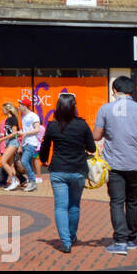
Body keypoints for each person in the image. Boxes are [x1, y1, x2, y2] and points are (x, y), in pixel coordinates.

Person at [92, 75, 137, 255]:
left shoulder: (105, 109)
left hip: (113, 164)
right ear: (132, 91)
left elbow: (96, 136)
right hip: (135, 162)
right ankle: (133, 238)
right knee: (134, 201)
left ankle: (120, 241)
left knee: (117, 202)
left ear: (114, 91)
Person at [40, 92, 96, 253]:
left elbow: (45, 147)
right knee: (74, 206)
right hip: (78, 170)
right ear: (74, 107)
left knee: (60, 206)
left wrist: (43, 160)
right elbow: (91, 148)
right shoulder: (82, 125)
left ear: (58, 107)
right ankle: (71, 236)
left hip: (58, 170)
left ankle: (65, 242)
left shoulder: (52, 126)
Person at [14, 97, 42, 192]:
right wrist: (21, 145)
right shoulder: (22, 117)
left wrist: (24, 133)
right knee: (28, 162)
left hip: (32, 143)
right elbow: (25, 131)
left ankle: (32, 181)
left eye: (20, 105)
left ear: (25, 106)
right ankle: (31, 182)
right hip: (25, 143)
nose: (19, 107)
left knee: (24, 161)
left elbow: (37, 129)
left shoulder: (33, 116)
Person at [0, 102, 26, 190]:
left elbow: (14, 134)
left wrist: (1, 139)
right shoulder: (7, 120)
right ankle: (16, 181)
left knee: (2, 161)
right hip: (8, 142)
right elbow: (8, 132)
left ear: (8, 109)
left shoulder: (13, 119)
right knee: (10, 164)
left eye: (3, 109)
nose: (2, 111)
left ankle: (14, 180)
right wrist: (0, 136)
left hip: (13, 143)